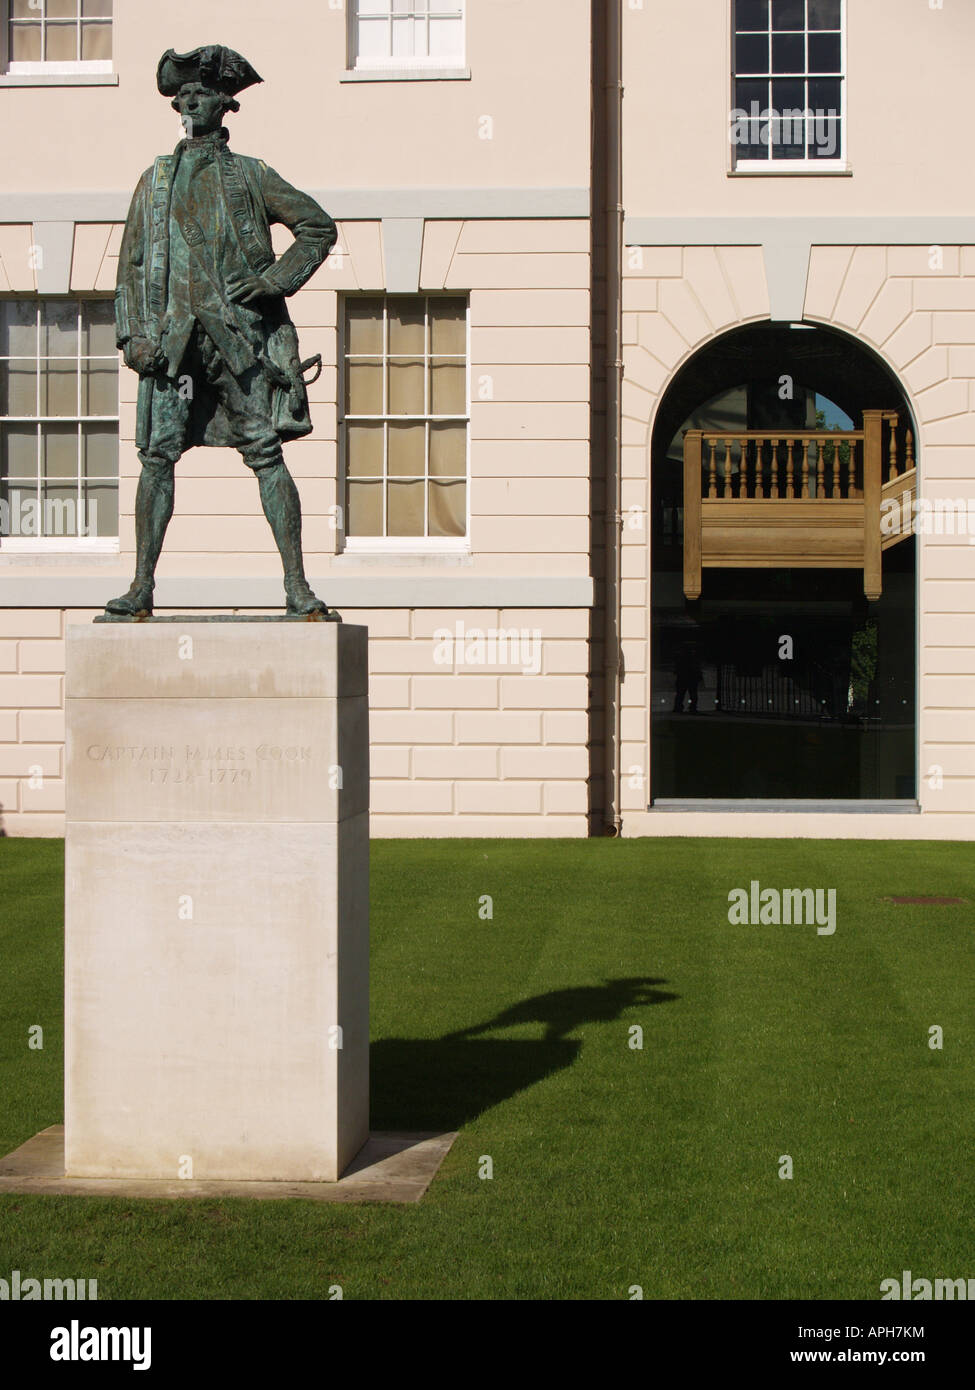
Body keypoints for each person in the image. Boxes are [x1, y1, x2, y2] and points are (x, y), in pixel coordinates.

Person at [106, 45, 337, 618]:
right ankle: (141, 587)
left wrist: (274, 282)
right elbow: (131, 266)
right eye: (182, 96)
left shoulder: (253, 176)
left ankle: (296, 586)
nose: (189, 102)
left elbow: (317, 227)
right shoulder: (155, 180)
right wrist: (133, 336)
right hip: (173, 342)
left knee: (266, 455)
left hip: (239, 340)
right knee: (157, 457)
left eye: (201, 93)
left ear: (224, 104)